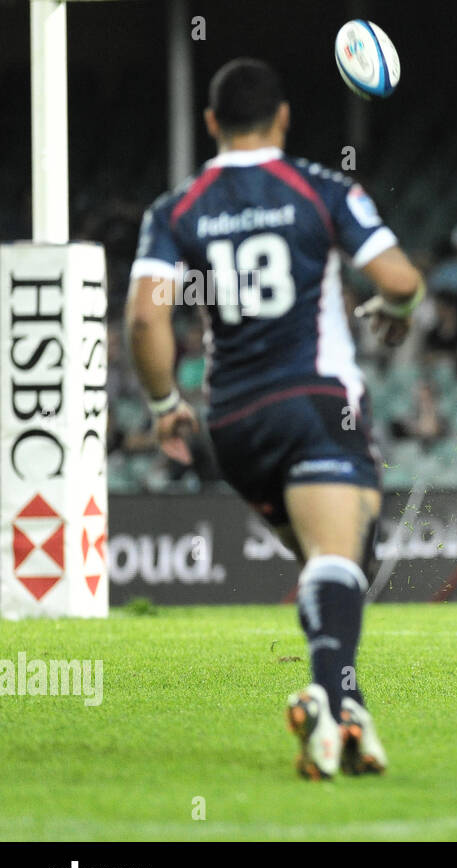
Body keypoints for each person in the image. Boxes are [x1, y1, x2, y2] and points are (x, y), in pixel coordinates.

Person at [127, 59, 425, 780]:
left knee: (338, 559)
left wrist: (168, 405)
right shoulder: (322, 189)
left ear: (210, 124)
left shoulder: (176, 208)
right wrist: (393, 311)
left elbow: (143, 318)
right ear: (284, 117)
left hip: (233, 423)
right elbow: (402, 280)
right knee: (340, 555)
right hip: (315, 404)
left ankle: (348, 704)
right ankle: (326, 701)